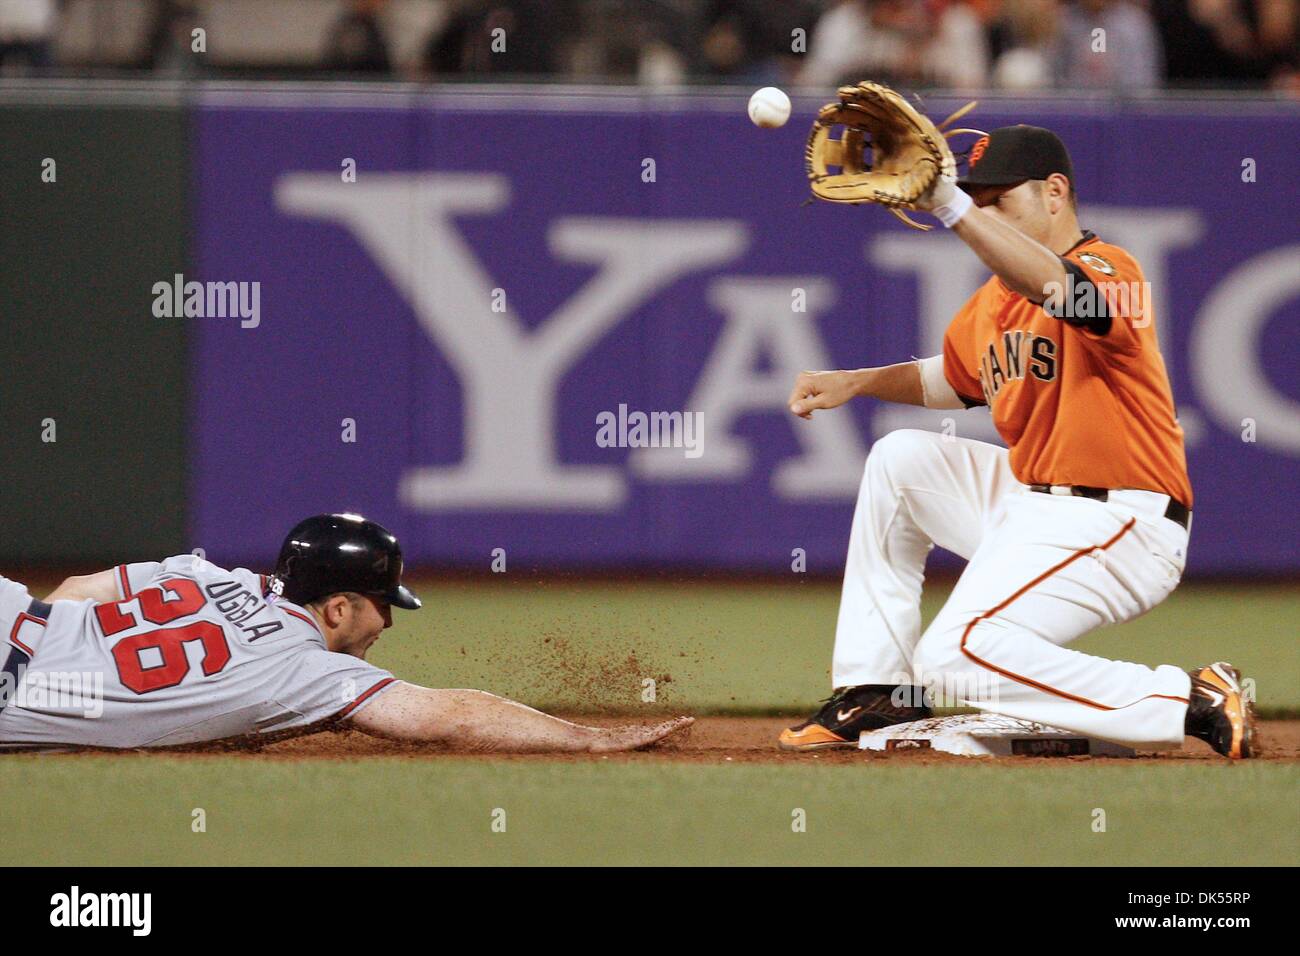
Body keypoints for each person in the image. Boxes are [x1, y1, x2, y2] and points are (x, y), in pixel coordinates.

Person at [780, 125, 1254, 758]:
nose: (983, 214)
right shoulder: (993, 302)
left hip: (1121, 520)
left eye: (999, 200)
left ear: (1055, 193)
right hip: (1035, 504)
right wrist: (858, 381)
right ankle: (877, 691)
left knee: (953, 655)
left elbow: (1065, 293)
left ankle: (1187, 701)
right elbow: (953, 379)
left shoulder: (1111, 267)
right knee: (900, 460)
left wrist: (948, 204)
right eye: (977, 202)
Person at [0, 513, 689, 752]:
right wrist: (592, 739)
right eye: (378, 602)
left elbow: (73, 594)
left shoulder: (213, 576)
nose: (387, 619)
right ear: (335, 609)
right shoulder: (310, 672)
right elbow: (452, 718)